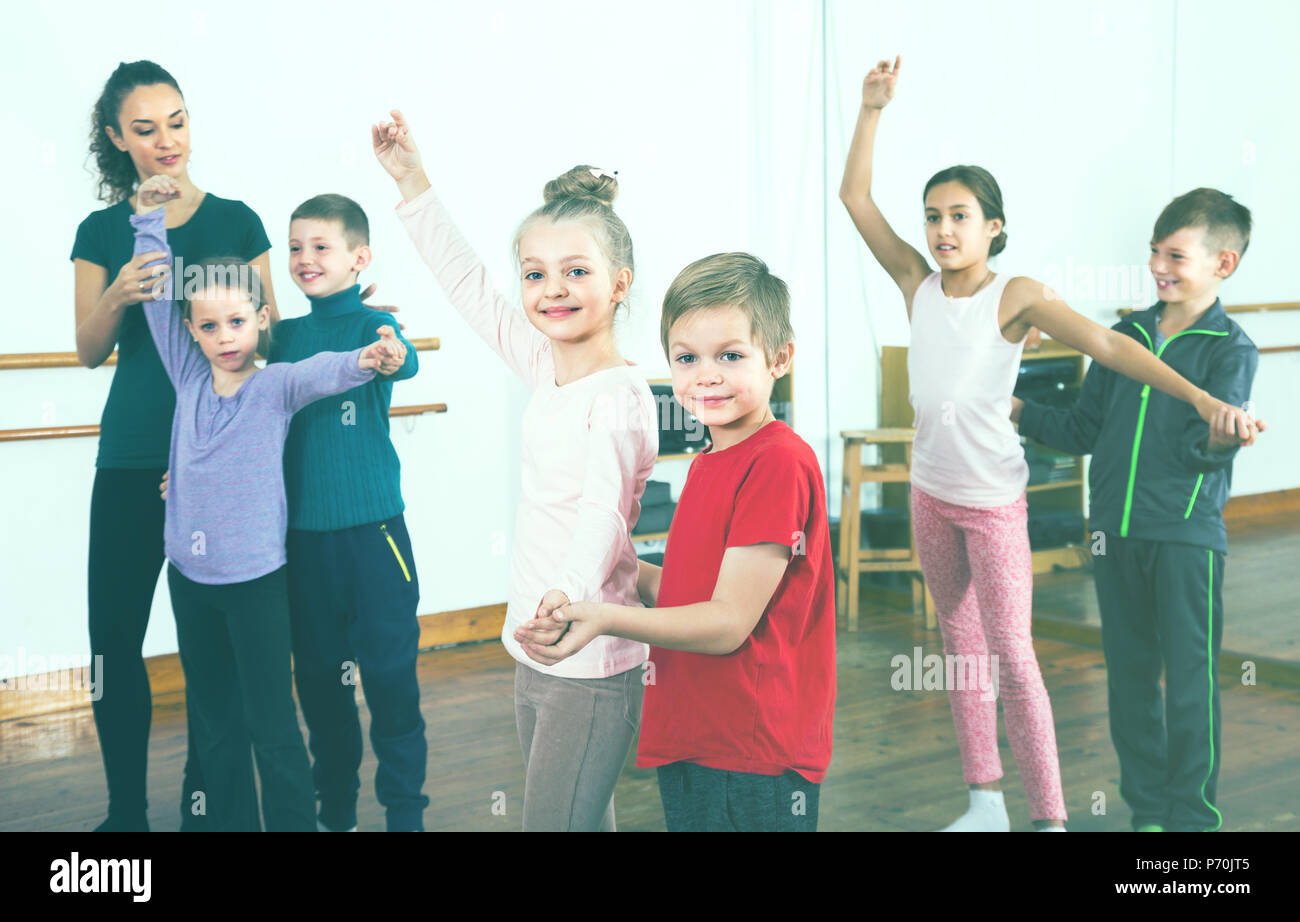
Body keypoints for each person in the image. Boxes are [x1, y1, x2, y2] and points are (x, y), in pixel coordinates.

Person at [837, 56, 1256, 831]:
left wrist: (1200, 397)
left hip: (994, 505)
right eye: (933, 216)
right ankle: (983, 803)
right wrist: (870, 111)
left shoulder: (1017, 295)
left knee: (1014, 659)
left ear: (993, 225)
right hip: (931, 494)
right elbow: (854, 198)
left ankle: (1052, 819)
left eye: (960, 215)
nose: (941, 230)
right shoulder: (914, 284)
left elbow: (1110, 346)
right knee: (961, 653)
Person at [374, 111, 658, 831]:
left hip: (585, 654)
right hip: (540, 647)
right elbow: (469, 285)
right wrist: (412, 180)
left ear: (619, 283)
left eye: (576, 272)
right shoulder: (544, 367)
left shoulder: (620, 396)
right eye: (535, 274)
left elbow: (601, 515)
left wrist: (564, 597)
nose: (552, 289)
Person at [517, 253, 836, 833]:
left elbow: (725, 623)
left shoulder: (777, 464)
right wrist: (620, 567)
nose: (706, 375)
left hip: (751, 750)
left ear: (780, 358)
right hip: (696, 732)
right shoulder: (712, 459)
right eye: (687, 358)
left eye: (730, 356)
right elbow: (693, 591)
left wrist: (605, 616)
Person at [130, 172, 406, 830]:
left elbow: (328, 369)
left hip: (256, 583)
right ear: (192, 332)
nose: (224, 336)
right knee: (215, 723)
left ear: (260, 319)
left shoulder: (275, 384)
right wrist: (147, 221)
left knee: (271, 726)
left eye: (236, 321)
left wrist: (373, 353)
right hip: (190, 579)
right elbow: (156, 299)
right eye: (209, 325)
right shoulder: (189, 373)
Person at [1013, 188, 1263, 832]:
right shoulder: (1123, 336)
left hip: (1184, 539)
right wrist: (1016, 410)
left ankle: (1193, 821)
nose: (1159, 265)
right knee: (1128, 683)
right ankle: (1147, 813)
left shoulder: (1229, 350)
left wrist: (1219, 433)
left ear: (1223, 264)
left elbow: (1202, 452)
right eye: (1154, 252)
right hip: (1112, 537)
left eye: (1175, 255)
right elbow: (1083, 429)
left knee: (1187, 687)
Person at [72, 60, 276, 832]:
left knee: (213, 647)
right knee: (113, 638)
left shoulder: (236, 219)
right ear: (118, 138)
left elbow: (271, 336)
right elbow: (88, 350)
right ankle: (127, 813)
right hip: (130, 456)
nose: (167, 141)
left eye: (178, 121)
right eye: (147, 128)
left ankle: (208, 807)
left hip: (218, 461)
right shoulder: (100, 231)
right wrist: (121, 292)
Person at [269, 193, 425, 832]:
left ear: (359, 258)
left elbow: (402, 356)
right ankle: (336, 816)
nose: (306, 259)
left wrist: (393, 353)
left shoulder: (372, 328)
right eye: (296, 247)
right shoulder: (281, 337)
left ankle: (405, 819)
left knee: (391, 687)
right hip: (303, 547)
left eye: (321, 247)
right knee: (322, 695)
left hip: (375, 541)